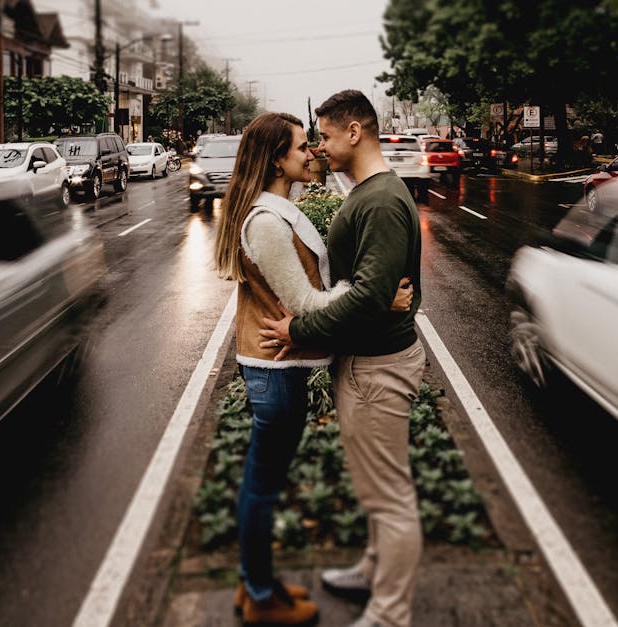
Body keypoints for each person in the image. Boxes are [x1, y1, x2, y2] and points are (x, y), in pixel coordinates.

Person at [213, 111, 413, 625]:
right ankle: (259, 595)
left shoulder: (280, 209)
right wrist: (374, 298)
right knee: (261, 487)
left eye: (313, 142)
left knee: (264, 484)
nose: (312, 153)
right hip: (274, 373)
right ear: (277, 159)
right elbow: (304, 303)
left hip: (282, 369)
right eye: (303, 146)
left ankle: (256, 585)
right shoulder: (266, 221)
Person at [259, 90, 426, 627]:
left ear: (355, 132)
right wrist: (381, 296)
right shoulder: (372, 193)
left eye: (326, 137)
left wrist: (300, 327)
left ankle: (389, 613)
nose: (320, 148)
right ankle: (375, 568)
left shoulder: (379, 200)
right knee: (380, 489)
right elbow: (374, 288)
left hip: (378, 367)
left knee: (389, 498)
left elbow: (370, 294)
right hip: (368, 360)